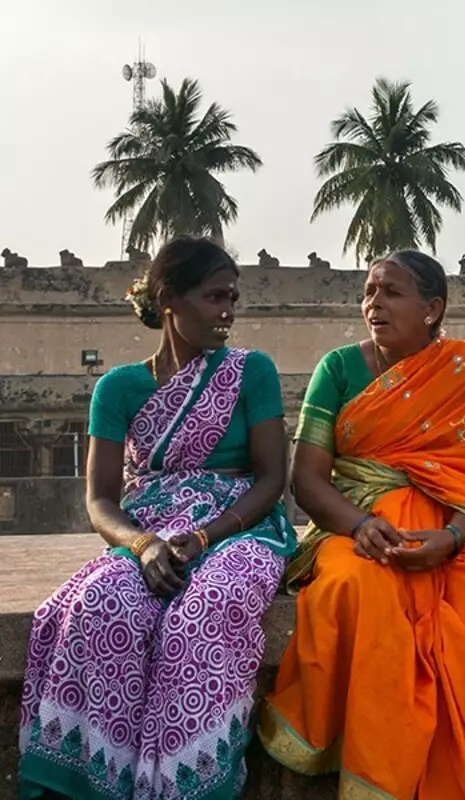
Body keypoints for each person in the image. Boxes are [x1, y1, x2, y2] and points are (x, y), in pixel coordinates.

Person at [258, 251, 465, 800]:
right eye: (368, 291)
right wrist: (361, 526)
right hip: (357, 524)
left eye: (390, 292)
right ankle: (378, 775)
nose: (373, 304)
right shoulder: (338, 368)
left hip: (455, 524)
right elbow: (309, 479)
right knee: (356, 585)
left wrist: (454, 536)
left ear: (432, 308)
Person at [19, 236, 296, 799]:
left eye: (233, 298)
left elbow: (271, 479)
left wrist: (204, 535)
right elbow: (100, 501)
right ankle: (93, 780)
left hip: (238, 528)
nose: (228, 312)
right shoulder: (119, 387)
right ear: (169, 298)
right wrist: (142, 545)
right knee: (99, 604)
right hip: (148, 528)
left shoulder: (251, 372)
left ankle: (188, 783)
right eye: (215, 296)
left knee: (203, 612)